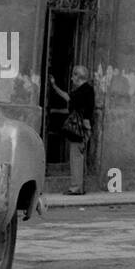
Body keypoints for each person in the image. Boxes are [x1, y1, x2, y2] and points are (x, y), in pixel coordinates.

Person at [50, 64, 95, 195]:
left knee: (76, 157)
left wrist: (54, 86)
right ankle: (80, 187)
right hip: (85, 127)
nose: (71, 79)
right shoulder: (87, 90)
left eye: (73, 75)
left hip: (80, 128)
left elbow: (68, 98)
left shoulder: (83, 90)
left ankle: (76, 188)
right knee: (80, 157)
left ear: (78, 76)